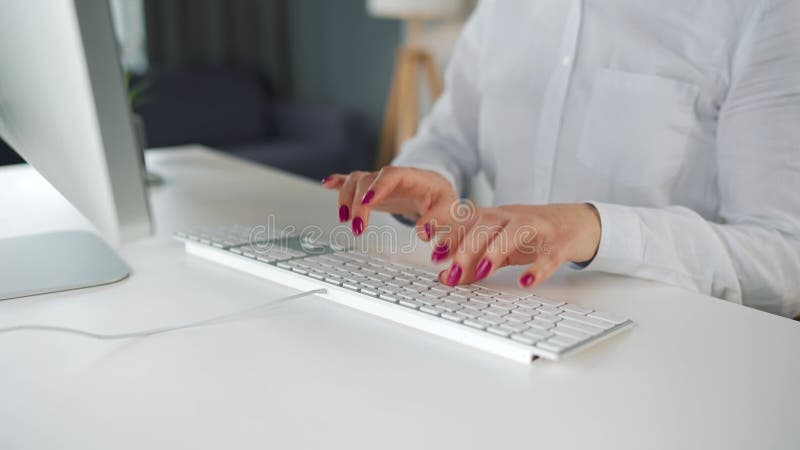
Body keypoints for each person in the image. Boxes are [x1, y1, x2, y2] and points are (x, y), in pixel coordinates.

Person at [322, 0, 800, 318]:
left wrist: (593, 229)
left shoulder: (760, 14)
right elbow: (448, 136)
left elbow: (783, 257)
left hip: (661, 359)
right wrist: (427, 177)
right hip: (489, 312)